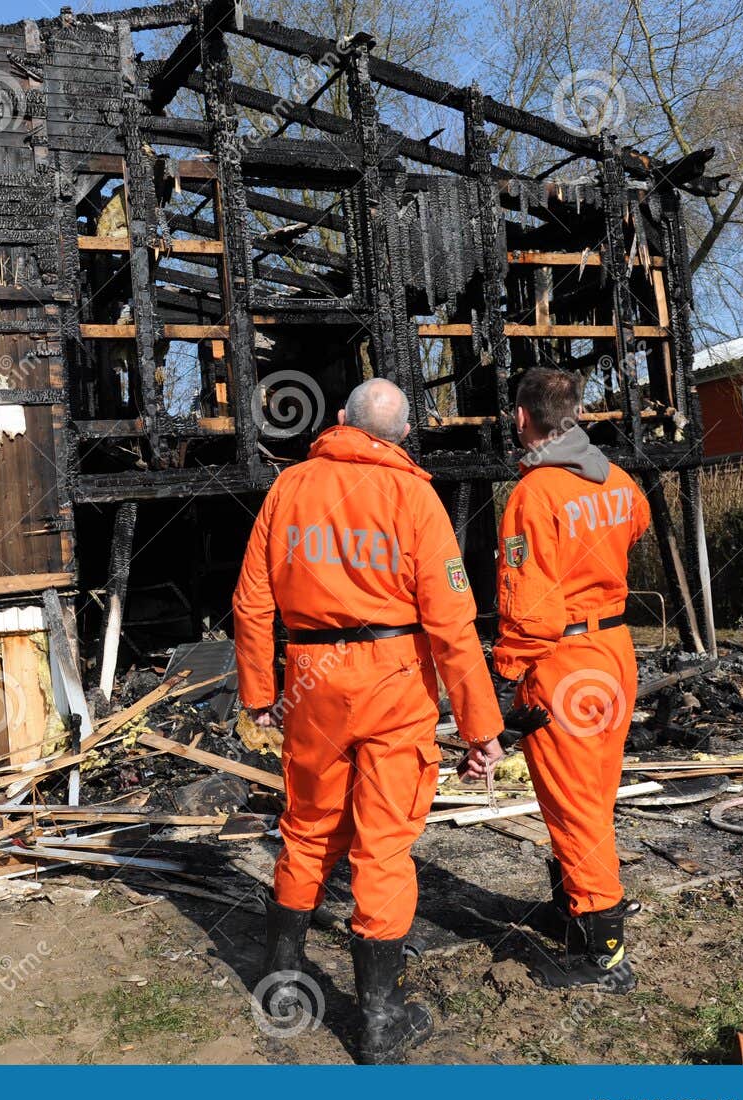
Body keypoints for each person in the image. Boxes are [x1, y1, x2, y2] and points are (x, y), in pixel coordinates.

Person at [233, 377, 505, 1063]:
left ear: (338, 419)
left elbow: (251, 601)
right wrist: (480, 727)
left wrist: (260, 693)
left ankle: (282, 982)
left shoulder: (288, 489)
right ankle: (380, 1019)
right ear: (405, 433)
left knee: (307, 826)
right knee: (382, 846)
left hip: (312, 681)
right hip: (394, 682)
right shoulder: (414, 496)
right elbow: (452, 622)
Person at [492, 367, 650, 991]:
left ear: (522, 418)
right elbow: (635, 525)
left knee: (575, 803)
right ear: (576, 415)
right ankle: (576, 911)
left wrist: (506, 676)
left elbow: (528, 605)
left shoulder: (534, 494)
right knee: (595, 792)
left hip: (564, 660)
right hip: (614, 649)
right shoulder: (616, 478)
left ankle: (603, 949)